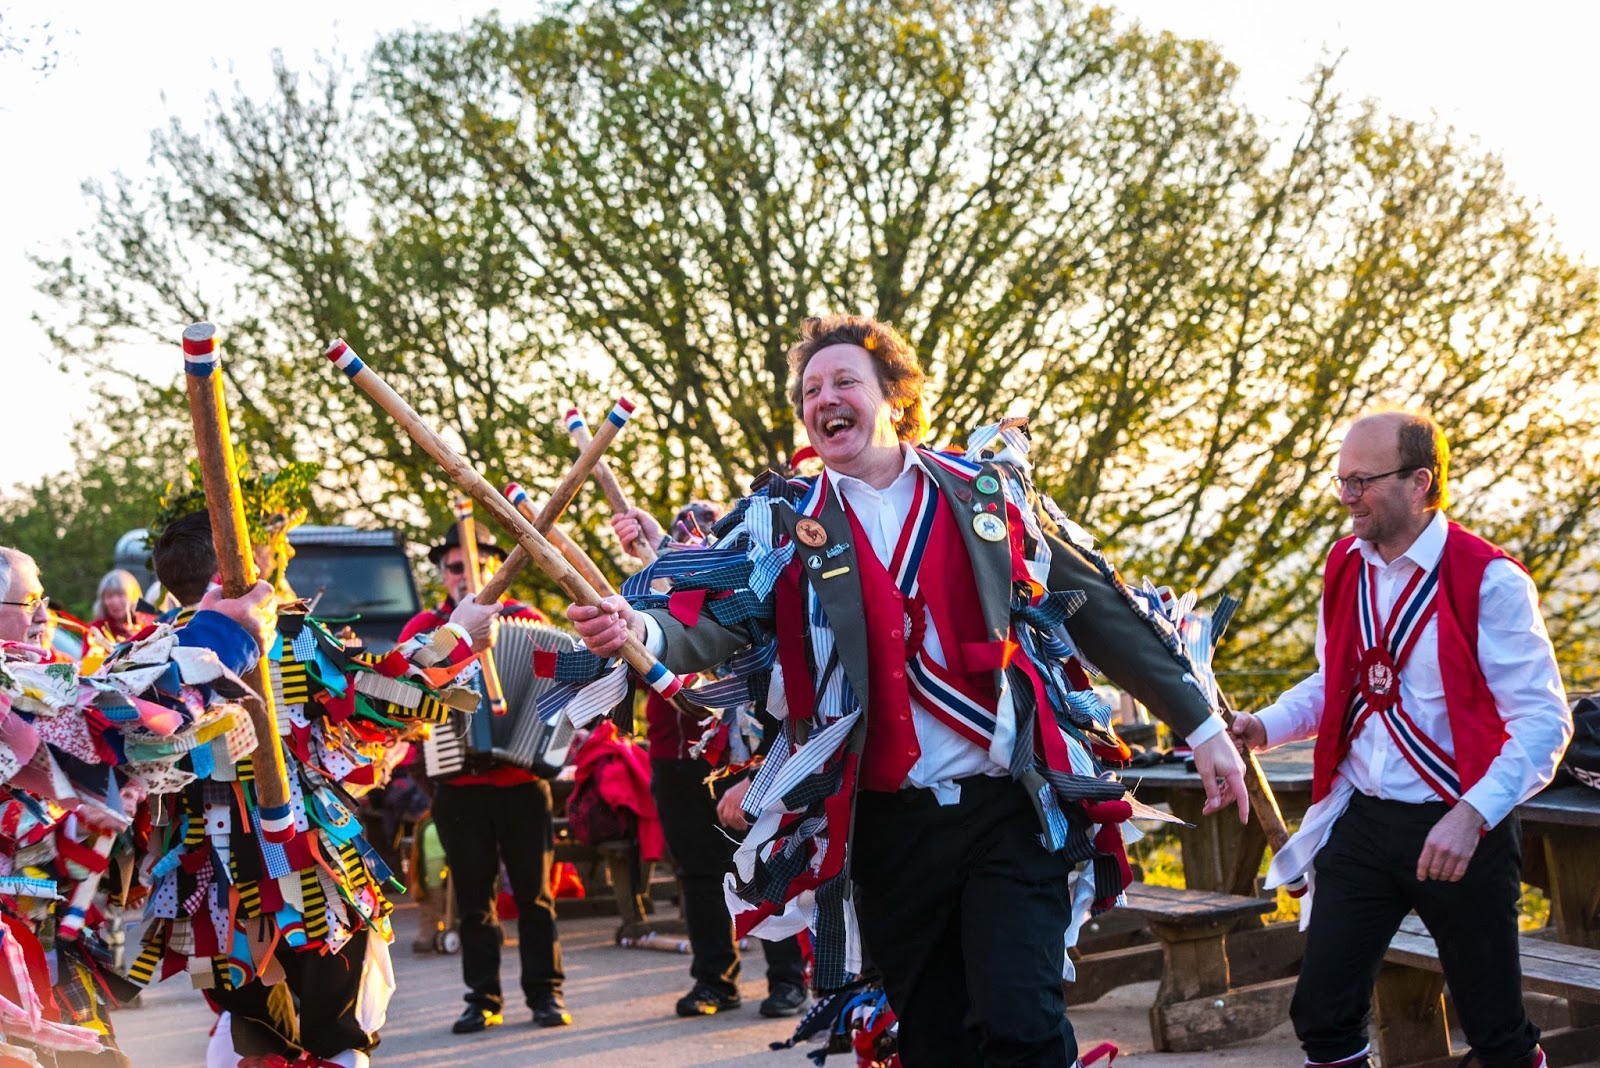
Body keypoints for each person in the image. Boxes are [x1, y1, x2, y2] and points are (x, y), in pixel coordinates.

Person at [569, 314, 1248, 1067]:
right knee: (937, 1043)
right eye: (810, 389)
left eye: (844, 382)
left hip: (1007, 809)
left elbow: (1098, 610)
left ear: (894, 396)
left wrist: (1201, 726)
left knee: (1023, 1022)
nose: (823, 398)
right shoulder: (786, 524)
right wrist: (642, 630)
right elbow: (716, 621)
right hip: (888, 828)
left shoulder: (984, 494)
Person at [1231, 411, 1573, 1068]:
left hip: (1459, 827)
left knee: (1496, 1032)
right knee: (1322, 1014)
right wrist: (1264, 726)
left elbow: (1544, 722)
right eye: (1341, 479)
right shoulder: (1344, 566)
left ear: (1421, 482)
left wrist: (1471, 816)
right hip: (1363, 825)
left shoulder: (1490, 579)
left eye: (1361, 480)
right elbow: (1336, 682)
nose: (1344, 495)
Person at [140, 511, 501, 1068]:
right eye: (252, 553)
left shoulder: (145, 657)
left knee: (253, 1033)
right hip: (308, 865)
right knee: (335, 1032)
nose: (266, 564)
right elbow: (380, 693)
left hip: (206, 886)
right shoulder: (286, 637)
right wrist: (458, 637)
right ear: (227, 567)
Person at [609, 501, 809, 1020]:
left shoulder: (736, 594)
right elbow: (632, 666)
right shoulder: (649, 600)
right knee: (696, 872)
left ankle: (787, 980)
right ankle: (713, 981)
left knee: (765, 862)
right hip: (672, 758)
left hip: (738, 755)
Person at [400, 524, 572, 1034]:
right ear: (442, 573)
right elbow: (406, 699)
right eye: (455, 567)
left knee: (535, 897)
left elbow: (558, 696)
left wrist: (551, 744)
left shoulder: (528, 621)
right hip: (458, 786)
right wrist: (428, 758)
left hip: (522, 782)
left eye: (475, 566)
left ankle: (546, 995)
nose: (464, 576)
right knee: (473, 901)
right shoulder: (426, 630)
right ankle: (482, 999)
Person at [89, 568, 154, 645]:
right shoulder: (96, 630)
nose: (115, 601)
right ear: (102, 601)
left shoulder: (148, 625)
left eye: (120, 595)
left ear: (133, 597)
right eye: (109, 596)